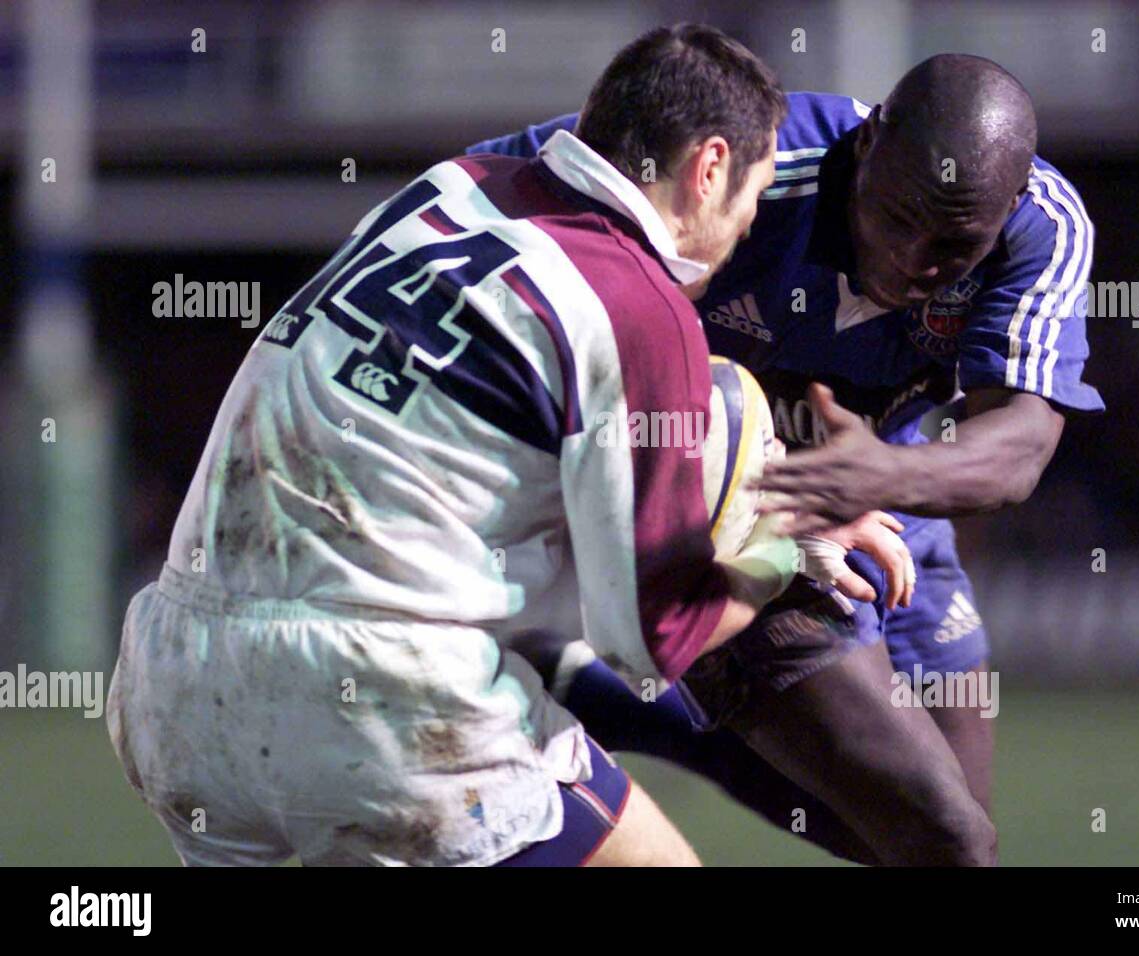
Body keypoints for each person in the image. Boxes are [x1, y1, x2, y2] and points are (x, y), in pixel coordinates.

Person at [106, 24, 793, 867]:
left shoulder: (446, 187)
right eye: (757, 191)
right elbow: (649, 641)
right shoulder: (638, 304)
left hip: (174, 680)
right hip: (385, 705)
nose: (752, 222)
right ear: (711, 166)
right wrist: (789, 545)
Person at [468, 53, 1104, 865]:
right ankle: (659, 673)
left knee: (920, 834)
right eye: (897, 218)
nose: (914, 260)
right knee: (950, 839)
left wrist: (879, 475)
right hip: (729, 513)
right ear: (868, 143)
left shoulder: (1043, 227)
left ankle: (623, 705)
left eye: (953, 245)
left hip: (890, 499)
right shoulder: (750, 158)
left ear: (1007, 210)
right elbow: (506, 180)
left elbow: (1016, 448)